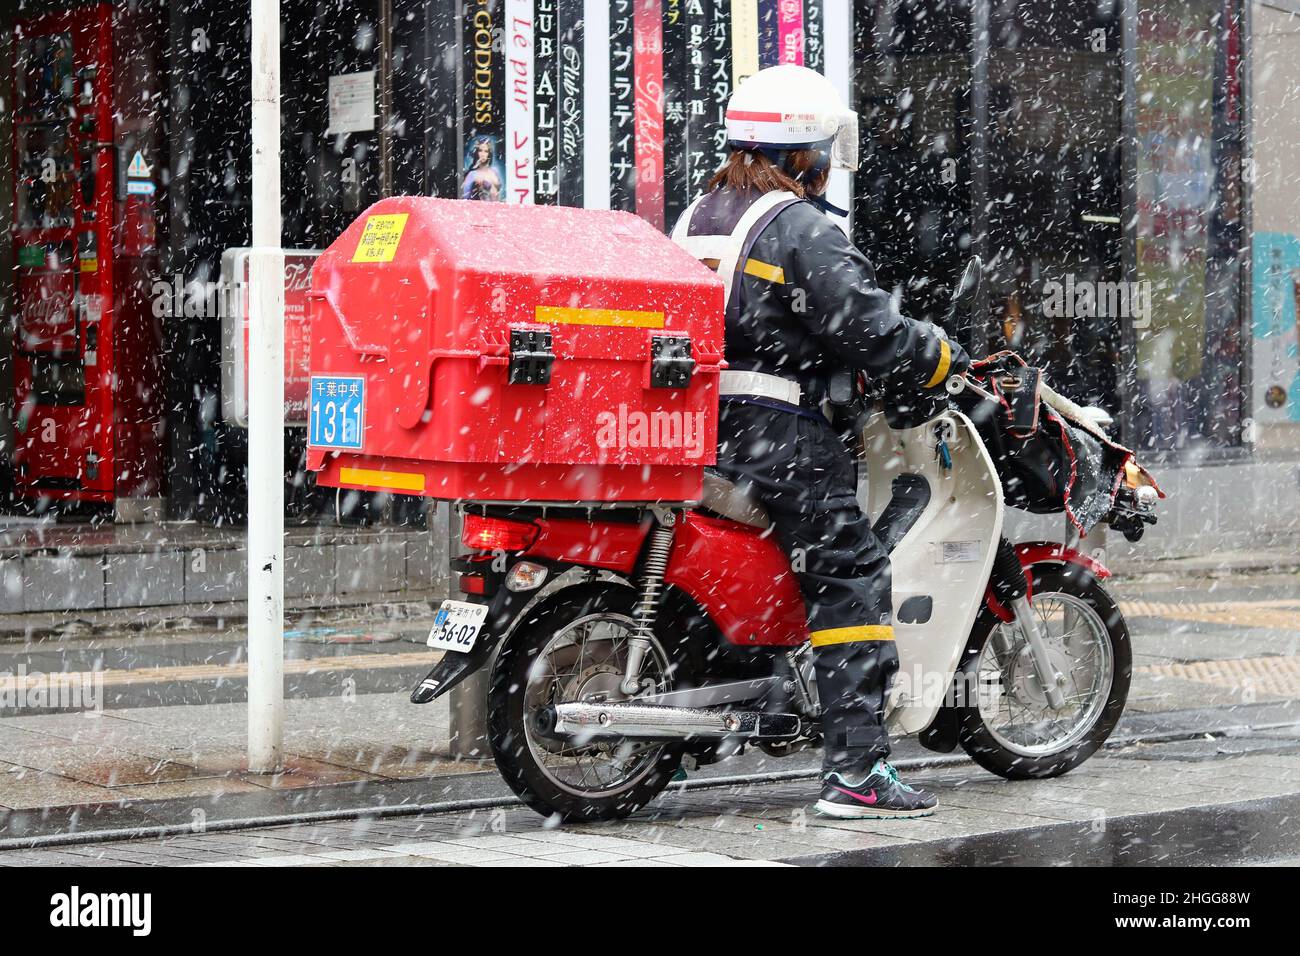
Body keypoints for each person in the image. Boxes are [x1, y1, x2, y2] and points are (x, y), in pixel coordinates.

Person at [671, 64, 969, 819]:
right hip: (778, 433)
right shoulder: (798, 227)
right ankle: (857, 771)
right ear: (805, 146)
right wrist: (934, 354)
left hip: (704, 427)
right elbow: (869, 327)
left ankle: (766, 696)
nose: (833, 159)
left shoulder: (701, 215)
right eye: (828, 143)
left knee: (788, 565)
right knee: (853, 571)